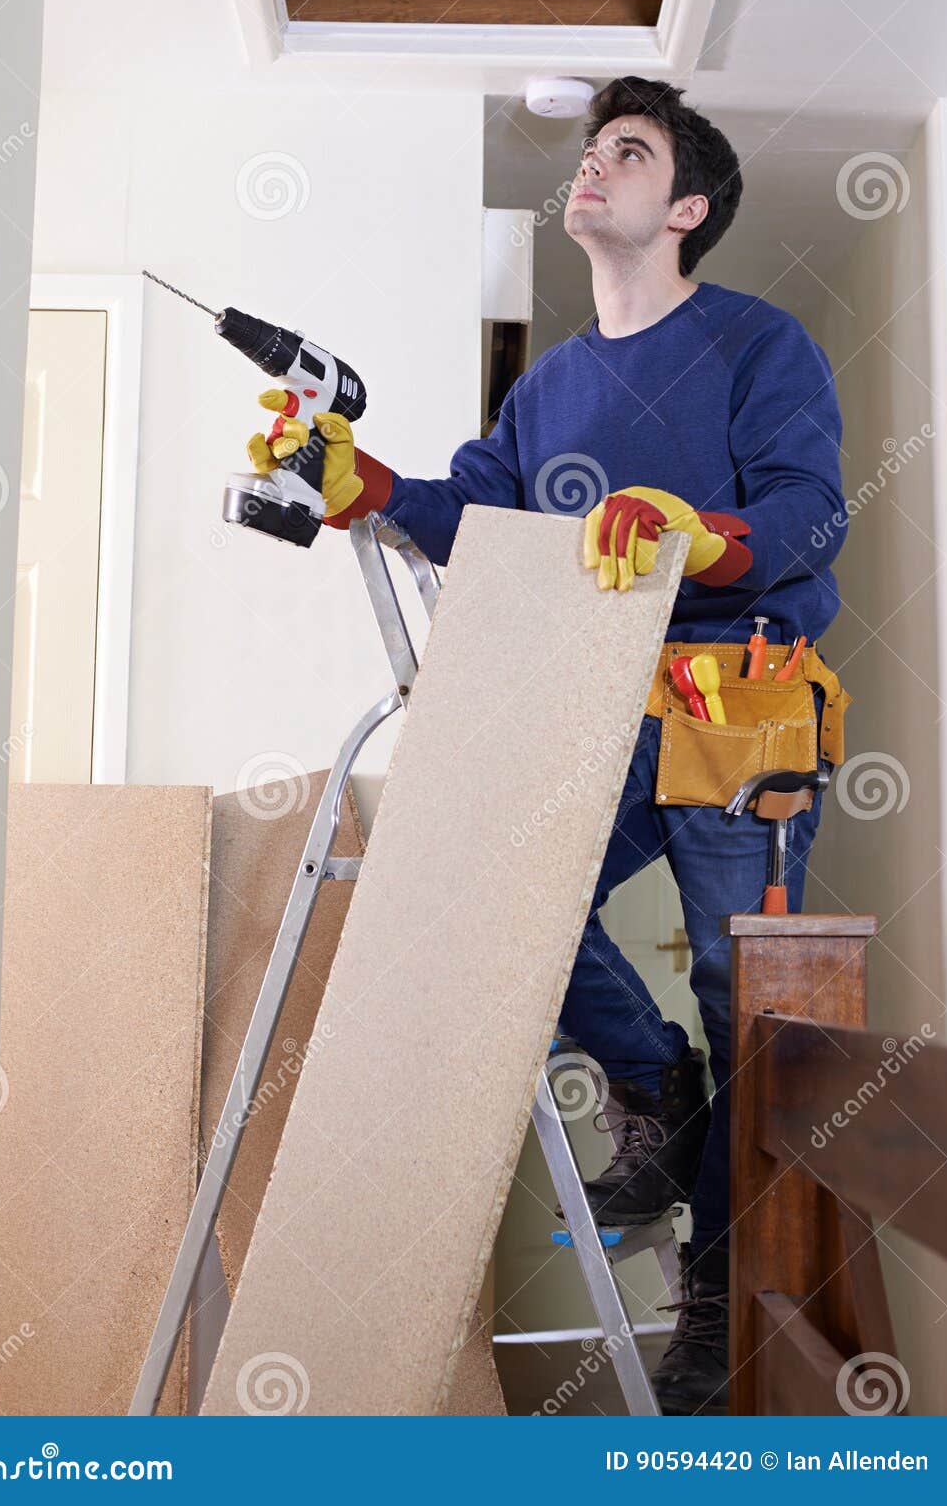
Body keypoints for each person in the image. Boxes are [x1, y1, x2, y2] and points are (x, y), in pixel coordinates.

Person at [247, 76, 849, 1415]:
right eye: (589, 150)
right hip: (599, 710)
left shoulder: (760, 347)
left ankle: (719, 1296)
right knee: (510, 897)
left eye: (626, 152)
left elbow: (811, 512)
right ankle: (652, 1087)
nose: (592, 163)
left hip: (734, 712)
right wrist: (364, 487)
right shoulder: (557, 388)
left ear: (686, 208)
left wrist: (701, 532)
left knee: (738, 992)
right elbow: (480, 510)